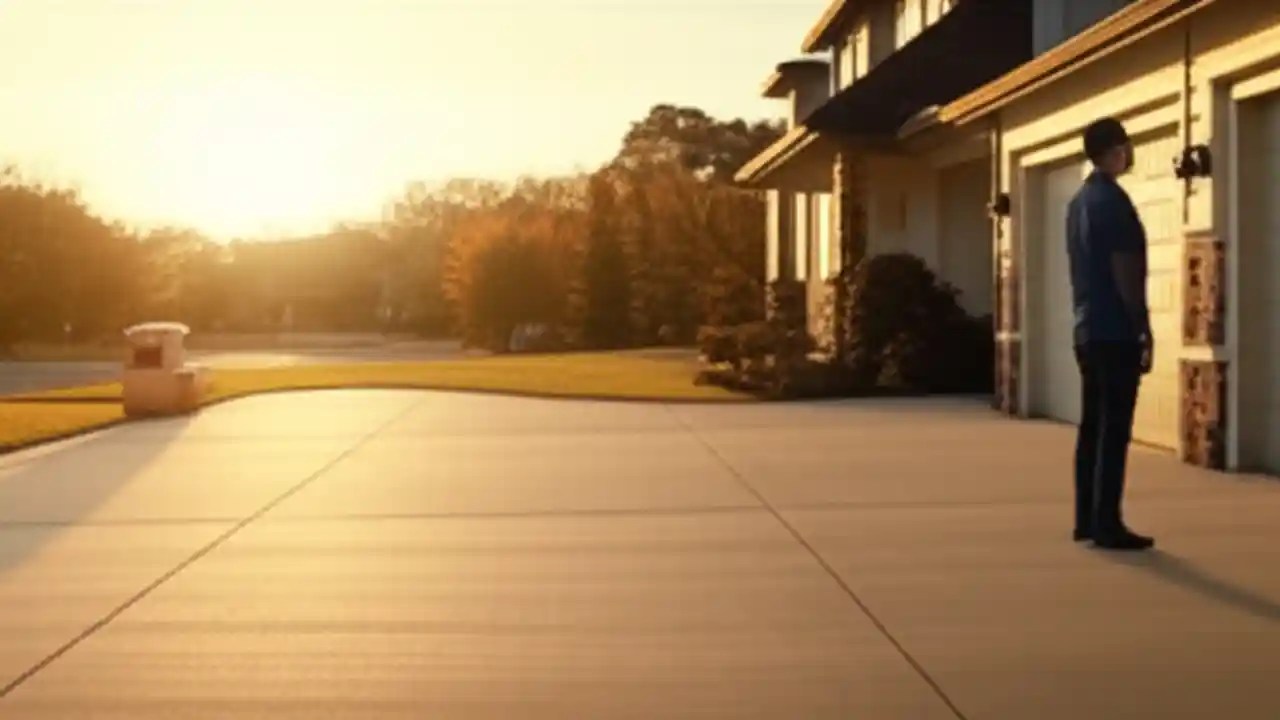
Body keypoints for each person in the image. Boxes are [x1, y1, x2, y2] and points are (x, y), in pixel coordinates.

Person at [1066, 117, 1155, 551]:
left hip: (1085, 328)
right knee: (1114, 429)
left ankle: (1086, 518)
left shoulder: (1078, 203)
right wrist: (1141, 326)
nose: (1130, 152)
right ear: (1116, 150)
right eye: (1126, 146)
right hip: (1114, 329)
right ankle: (1107, 523)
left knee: (1092, 426)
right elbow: (1125, 269)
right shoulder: (1114, 203)